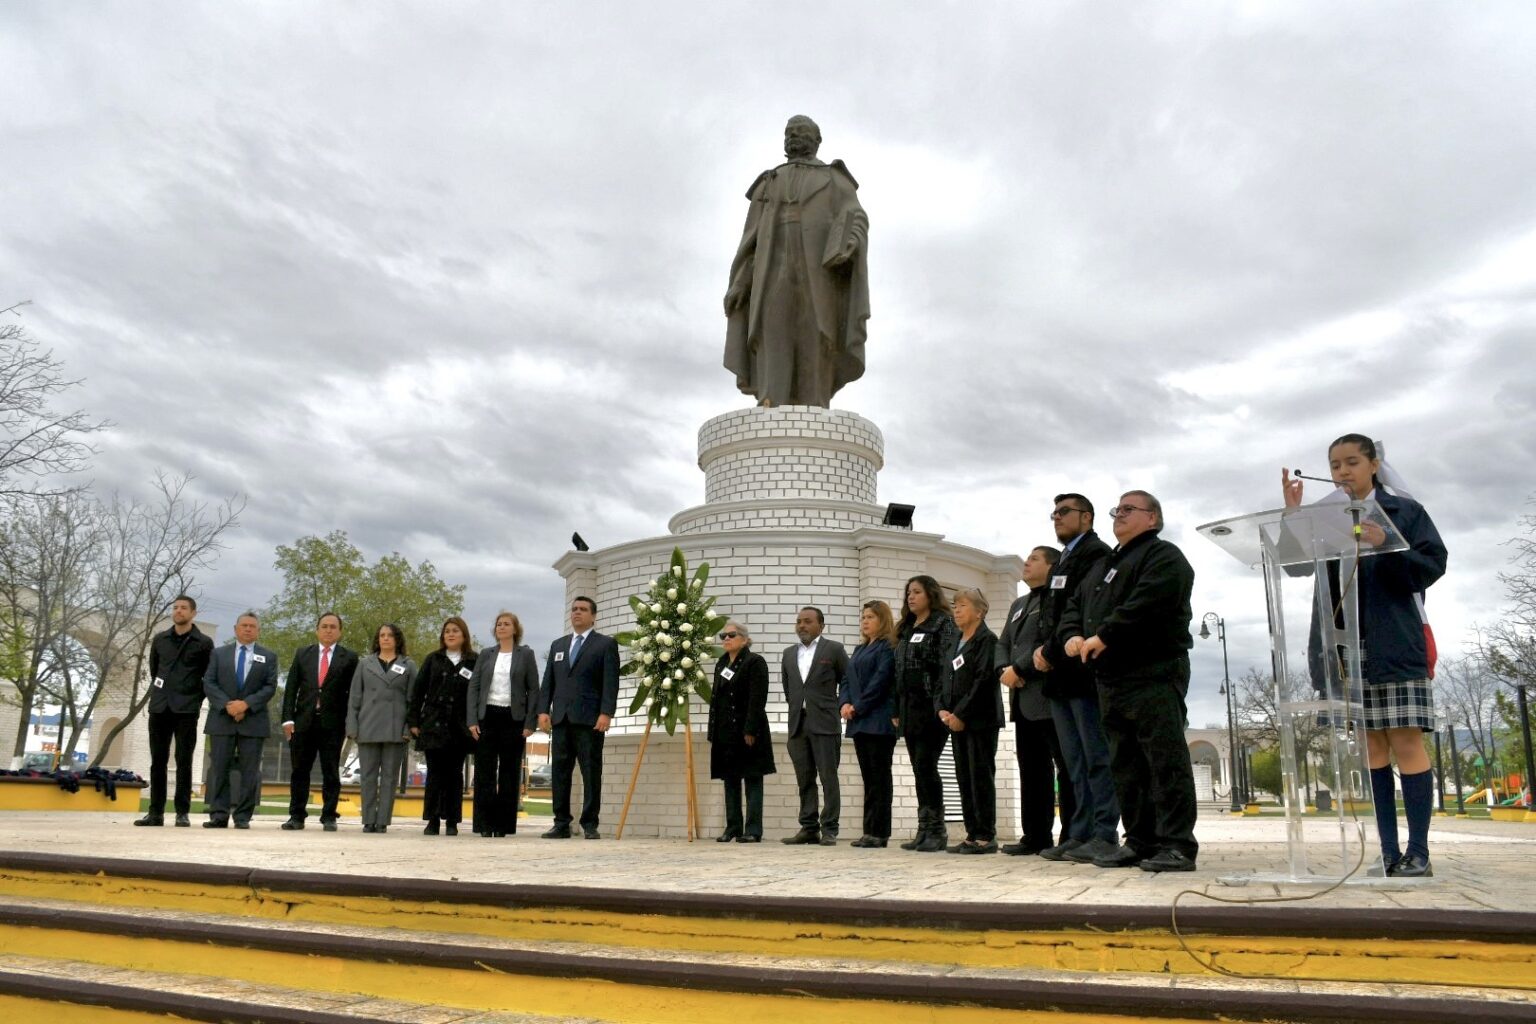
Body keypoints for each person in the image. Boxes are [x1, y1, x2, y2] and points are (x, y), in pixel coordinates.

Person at [1283, 434, 1447, 877]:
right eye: (1335, 465)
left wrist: (1386, 546)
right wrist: (1294, 519)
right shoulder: (1325, 519)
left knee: (1406, 740)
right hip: (1343, 649)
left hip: (1394, 643)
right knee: (1372, 746)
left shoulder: (1404, 512)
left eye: (1352, 462)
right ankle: (1388, 852)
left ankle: (1420, 853)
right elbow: (1294, 566)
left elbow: (1432, 566)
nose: (1342, 472)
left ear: (1374, 464)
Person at [1061, 490, 1199, 872]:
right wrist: (1072, 635)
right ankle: (1139, 840)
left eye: (1129, 509)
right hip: (1111, 678)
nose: (1118, 515)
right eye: (1116, 509)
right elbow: (1076, 604)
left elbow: (1147, 603)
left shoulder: (1163, 556)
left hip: (1153, 672)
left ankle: (1176, 844)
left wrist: (1104, 635)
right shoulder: (1106, 563)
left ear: (1153, 518)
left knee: (1163, 759)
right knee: (1125, 764)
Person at [723, 115, 870, 408]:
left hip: (818, 272)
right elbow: (751, 241)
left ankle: (815, 403)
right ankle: (771, 398)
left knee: (817, 334)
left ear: (817, 140)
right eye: (789, 133)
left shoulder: (834, 179)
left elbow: (857, 216)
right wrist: (741, 282)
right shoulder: (769, 182)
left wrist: (850, 241)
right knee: (772, 329)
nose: (793, 137)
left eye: (800, 132)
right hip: (774, 270)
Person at [1032, 494, 1122, 866]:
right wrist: (1044, 650)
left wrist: (1049, 650)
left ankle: (1104, 833)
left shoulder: (1096, 553)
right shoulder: (1064, 559)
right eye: (1053, 512)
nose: (1056, 517)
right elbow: (1055, 613)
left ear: (1086, 517)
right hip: (1059, 673)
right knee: (1073, 762)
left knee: (1095, 757)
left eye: (1064, 512)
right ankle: (1079, 832)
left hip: (1082, 670)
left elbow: (1085, 610)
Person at [996, 546, 1075, 856]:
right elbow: (1004, 642)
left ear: (1052, 565)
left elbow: (1049, 642)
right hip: (1022, 700)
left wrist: (1019, 668)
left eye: (1034, 559)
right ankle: (1036, 836)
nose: (1026, 564)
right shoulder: (1019, 603)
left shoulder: (1057, 598)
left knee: (1065, 769)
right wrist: (1004, 669)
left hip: (1049, 695)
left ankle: (1071, 834)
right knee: (1031, 770)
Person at [538, 596, 620, 840]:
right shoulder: (558, 645)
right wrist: (543, 711)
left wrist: (606, 713)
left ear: (593, 616)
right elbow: (548, 682)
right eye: (574, 609)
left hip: (590, 720)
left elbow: (610, 682)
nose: (577, 613)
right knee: (560, 773)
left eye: (583, 610)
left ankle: (590, 823)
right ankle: (561, 823)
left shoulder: (605, 645)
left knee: (591, 773)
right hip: (561, 719)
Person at [893, 575, 959, 853]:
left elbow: (946, 666)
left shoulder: (943, 623)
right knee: (918, 769)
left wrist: (942, 702)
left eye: (917, 592)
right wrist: (896, 708)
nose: (911, 597)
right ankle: (923, 829)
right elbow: (899, 671)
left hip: (931, 705)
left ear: (931, 594)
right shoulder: (907, 628)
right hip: (909, 707)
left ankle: (937, 830)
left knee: (927, 765)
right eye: (909, 592)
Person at [136, 594, 214, 828]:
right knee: (157, 761)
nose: (179, 611)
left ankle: (182, 812)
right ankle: (155, 812)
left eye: (183, 608)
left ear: (193, 613)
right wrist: (163, 695)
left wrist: (194, 698)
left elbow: (207, 677)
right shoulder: (160, 640)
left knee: (184, 760)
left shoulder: (203, 642)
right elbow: (154, 671)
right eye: (176, 608)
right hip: (160, 707)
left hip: (187, 710)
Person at [280, 611, 358, 832]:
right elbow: (291, 689)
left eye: (333, 627)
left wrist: (350, 723)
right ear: (317, 629)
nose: (328, 630)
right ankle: (296, 816)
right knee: (299, 771)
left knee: (331, 771)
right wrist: (287, 719)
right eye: (324, 626)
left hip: (333, 724)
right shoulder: (303, 654)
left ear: (340, 632)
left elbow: (353, 693)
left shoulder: (349, 658)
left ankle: (329, 815)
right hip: (303, 722)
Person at [939, 588, 1002, 854]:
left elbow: (983, 680)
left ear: (980, 611)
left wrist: (961, 714)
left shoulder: (987, 640)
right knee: (964, 777)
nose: (957, 610)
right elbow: (945, 678)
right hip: (954, 721)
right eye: (955, 605)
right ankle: (971, 833)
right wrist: (942, 709)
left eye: (962, 605)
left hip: (979, 720)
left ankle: (986, 836)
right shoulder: (954, 640)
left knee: (980, 776)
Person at [201, 611, 278, 829]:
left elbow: (269, 686)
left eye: (252, 626)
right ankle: (218, 815)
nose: (247, 629)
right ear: (235, 629)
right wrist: (228, 706)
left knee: (249, 772)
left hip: (253, 721)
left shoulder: (268, 656)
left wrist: (246, 705)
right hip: (222, 720)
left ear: (258, 631)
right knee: (219, 768)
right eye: (243, 625)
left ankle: (243, 816)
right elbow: (209, 682)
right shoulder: (219, 654)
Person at [780, 605, 849, 845]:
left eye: (808, 621)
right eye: (799, 621)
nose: (802, 626)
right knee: (804, 779)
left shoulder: (834, 649)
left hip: (825, 724)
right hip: (798, 725)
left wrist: (837, 707)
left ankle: (829, 829)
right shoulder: (789, 654)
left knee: (828, 777)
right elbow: (790, 690)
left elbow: (847, 682)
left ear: (821, 625)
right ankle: (808, 828)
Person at [466, 611, 539, 838]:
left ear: (515, 629)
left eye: (507, 624)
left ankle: (504, 825)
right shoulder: (486, 655)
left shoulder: (525, 655)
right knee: (485, 772)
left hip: (513, 718)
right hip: (487, 716)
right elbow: (474, 687)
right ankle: (484, 824)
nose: (502, 627)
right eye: (499, 624)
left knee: (509, 772)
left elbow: (534, 690)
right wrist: (471, 720)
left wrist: (530, 722)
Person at [408, 616, 478, 836]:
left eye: (455, 630)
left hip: (459, 727)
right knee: (435, 773)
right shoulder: (433, 659)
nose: (450, 634)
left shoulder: (473, 661)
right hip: (434, 724)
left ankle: (452, 821)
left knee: (455, 775)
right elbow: (418, 692)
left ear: (464, 635)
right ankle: (433, 819)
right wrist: (414, 721)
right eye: (447, 631)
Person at [707, 620, 776, 842]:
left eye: (731, 635)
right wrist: (713, 730)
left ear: (745, 639)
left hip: (748, 731)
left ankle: (753, 830)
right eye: (723, 636)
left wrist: (750, 729)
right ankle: (733, 827)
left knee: (752, 779)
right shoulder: (721, 663)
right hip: (726, 732)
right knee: (730, 779)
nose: (726, 639)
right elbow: (716, 699)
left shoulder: (755, 662)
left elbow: (758, 699)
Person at [347, 624, 417, 834]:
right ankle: (368, 819)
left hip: (396, 729)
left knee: (389, 777)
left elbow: (413, 700)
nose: (385, 639)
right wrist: (352, 725)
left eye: (390, 635)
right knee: (367, 776)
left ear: (398, 639)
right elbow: (354, 697)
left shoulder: (409, 665)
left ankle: (382, 820)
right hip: (368, 725)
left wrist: (408, 727)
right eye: (382, 635)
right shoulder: (364, 664)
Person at [840, 600, 899, 848]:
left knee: (879, 778)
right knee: (869, 779)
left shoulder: (887, 647)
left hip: (878, 720)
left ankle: (880, 832)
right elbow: (846, 679)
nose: (864, 622)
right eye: (863, 617)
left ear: (882, 620)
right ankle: (868, 831)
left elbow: (881, 681)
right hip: (858, 721)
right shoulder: (860, 649)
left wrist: (858, 706)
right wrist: (843, 704)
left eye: (870, 617)